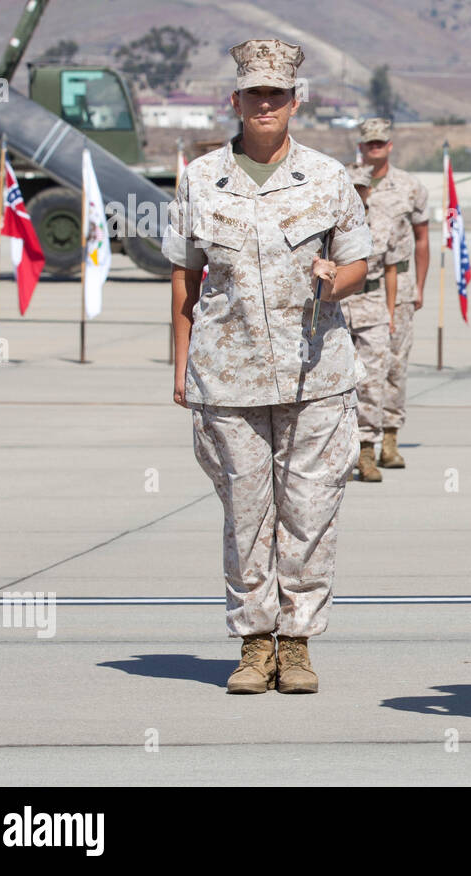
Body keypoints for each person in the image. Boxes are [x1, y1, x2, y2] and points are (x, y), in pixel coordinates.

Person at [165, 39, 370, 694]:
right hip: (227, 373)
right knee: (246, 511)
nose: (265, 106)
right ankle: (255, 643)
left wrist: (333, 281)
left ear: (293, 103)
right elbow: (184, 278)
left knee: (309, 509)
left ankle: (299, 642)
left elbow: (358, 264)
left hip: (316, 371)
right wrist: (179, 367)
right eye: (254, 95)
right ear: (237, 101)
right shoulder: (200, 178)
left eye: (276, 96)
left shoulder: (330, 177)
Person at [360, 118, 429, 469]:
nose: (374, 148)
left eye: (380, 143)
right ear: (360, 146)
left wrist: (419, 285)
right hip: (355, 290)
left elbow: (422, 239)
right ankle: (361, 441)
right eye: (369, 143)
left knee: (395, 365)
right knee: (362, 367)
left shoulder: (409, 187)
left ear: (389, 146)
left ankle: (390, 435)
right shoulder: (347, 184)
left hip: (399, 287)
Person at [343, 151, 397, 483]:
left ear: (369, 190)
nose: (357, 193)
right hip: (338, 308)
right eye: (351, 187)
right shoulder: (327, 224)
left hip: (373, 306)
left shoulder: (384, 222)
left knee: (373, 383)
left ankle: (367, 451)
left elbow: (391, 269)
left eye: (361, 188)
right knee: (338, 387)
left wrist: (391, 313)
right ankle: (343, 453)